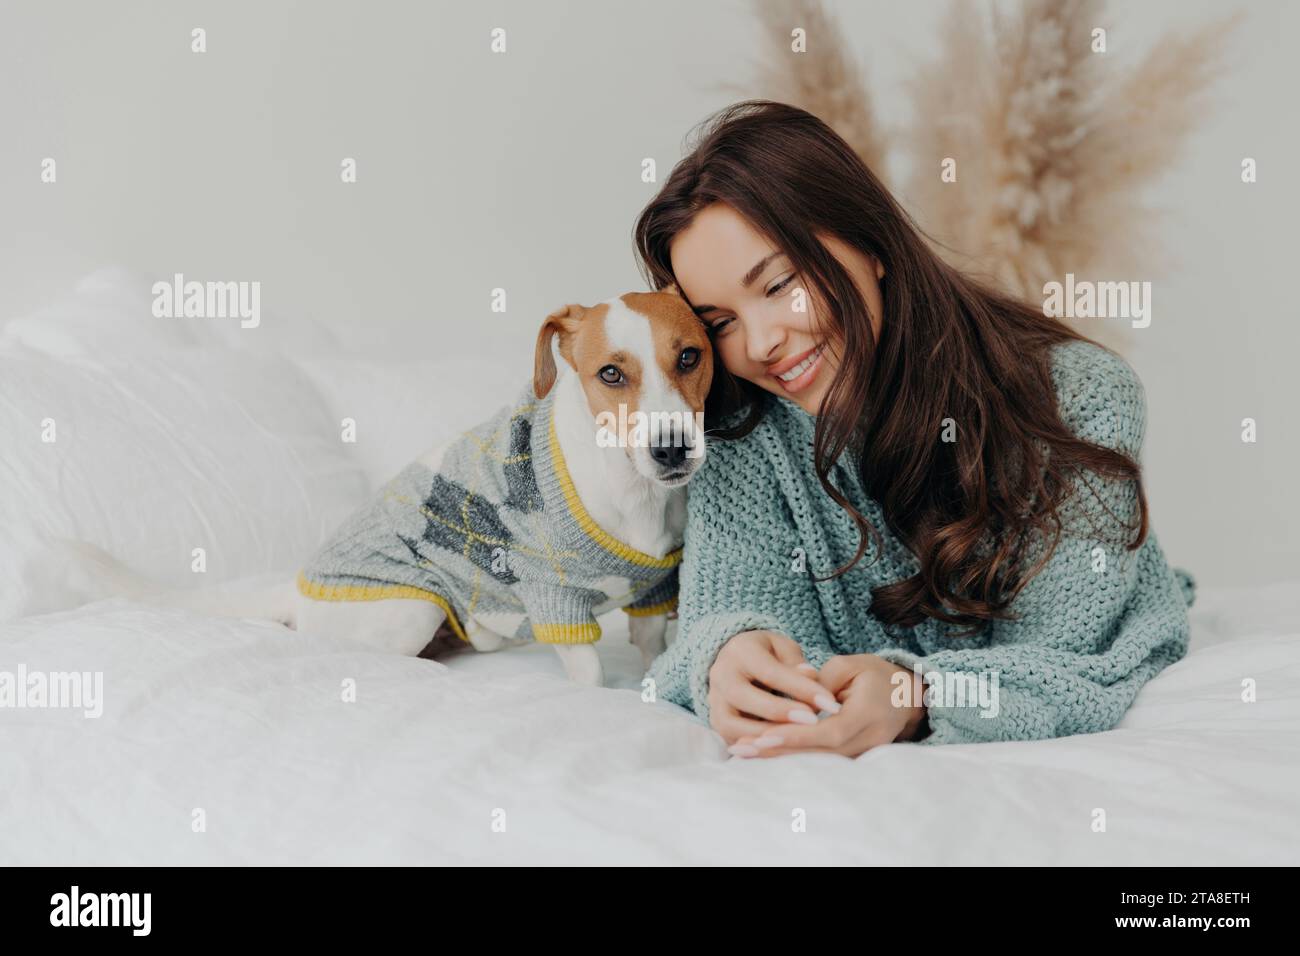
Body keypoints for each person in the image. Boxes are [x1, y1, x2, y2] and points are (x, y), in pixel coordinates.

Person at [632, 100, 1196, 757]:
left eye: (781, 283)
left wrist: (916, 695)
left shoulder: (1082, 397)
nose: (760, 343)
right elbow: (728, 609)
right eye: (720, 321)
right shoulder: (740, 427)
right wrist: (727, 654)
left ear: (869, 242)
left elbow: (1059, 658)